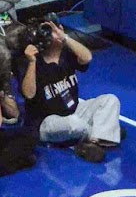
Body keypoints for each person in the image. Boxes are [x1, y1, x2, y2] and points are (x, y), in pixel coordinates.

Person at [19, 17, 121, 160]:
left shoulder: (66, 54)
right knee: (75, 124)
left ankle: (94, 142)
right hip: (47, 122)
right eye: (53, 31)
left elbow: (87, 58)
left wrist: (65, 37)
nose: (58, 32)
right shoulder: (33, 62)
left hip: (74, 109)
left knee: (110, 100)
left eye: (59, 28)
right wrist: (31, 62)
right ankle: (104, 132)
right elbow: (28, 94)